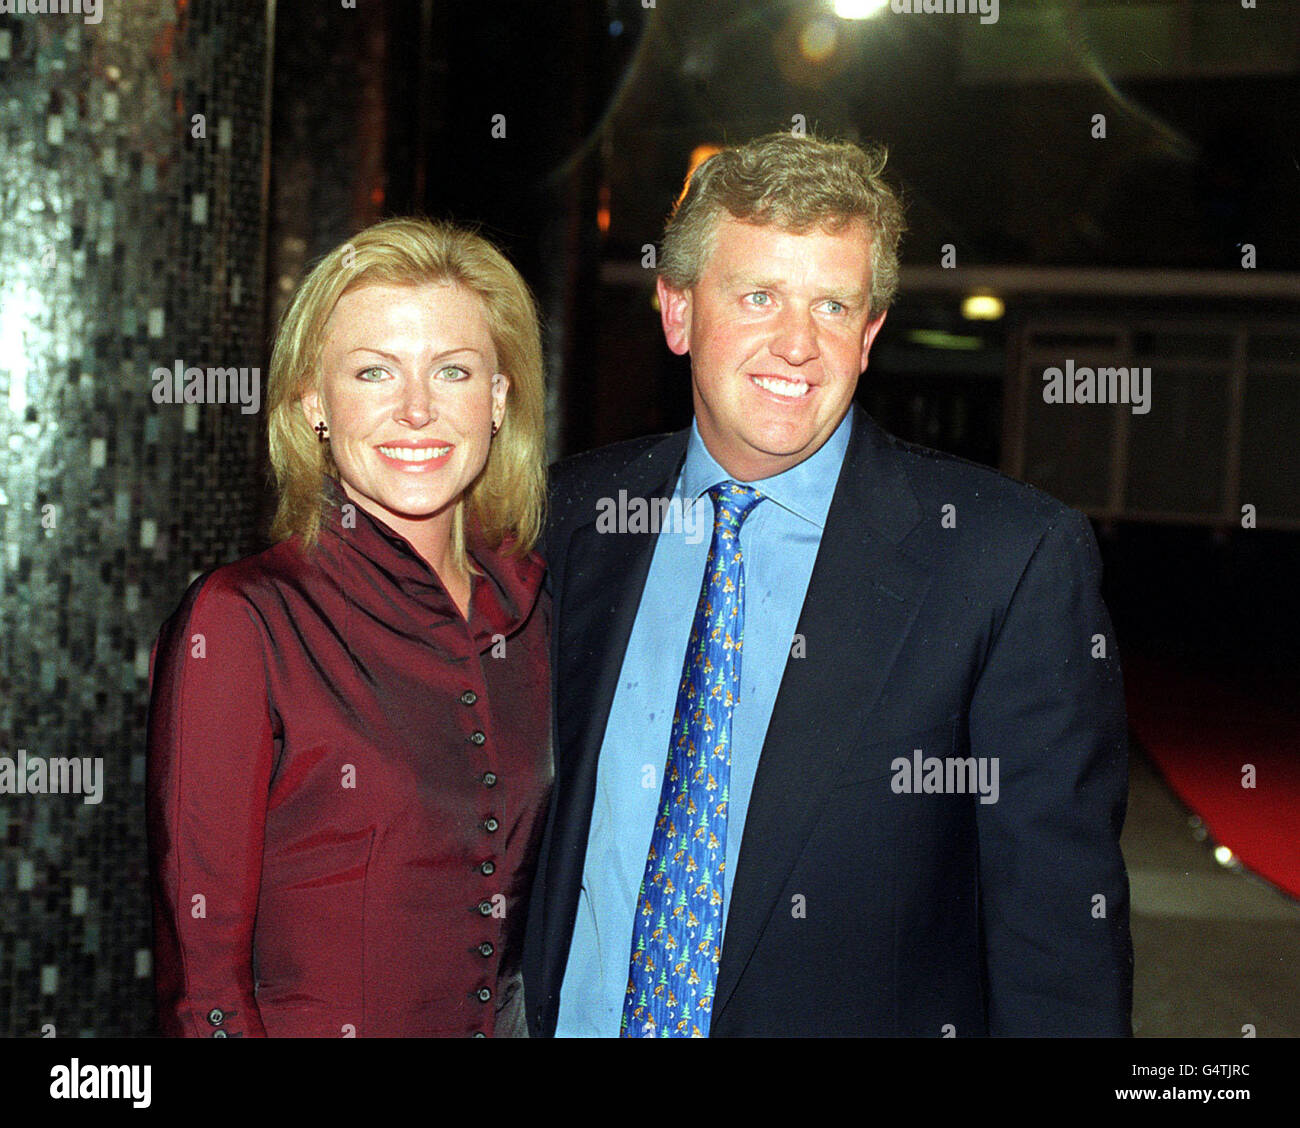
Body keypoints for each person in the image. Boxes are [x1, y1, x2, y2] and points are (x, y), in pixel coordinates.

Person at [523, 132, 1133, 1037]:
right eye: (759, 295)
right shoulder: (571, 516)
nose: (797, 344)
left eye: (833, 305)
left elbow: (1057, 948)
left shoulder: (1006, 559)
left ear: (870, 333)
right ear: (677, 311)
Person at [146, 218, 550, 1037]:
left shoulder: (533, 611)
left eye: (453, 371)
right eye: (372, 372)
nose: (414, 410)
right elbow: (204, 987)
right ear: (312, 403)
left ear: (499, 398)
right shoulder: (242, 621)